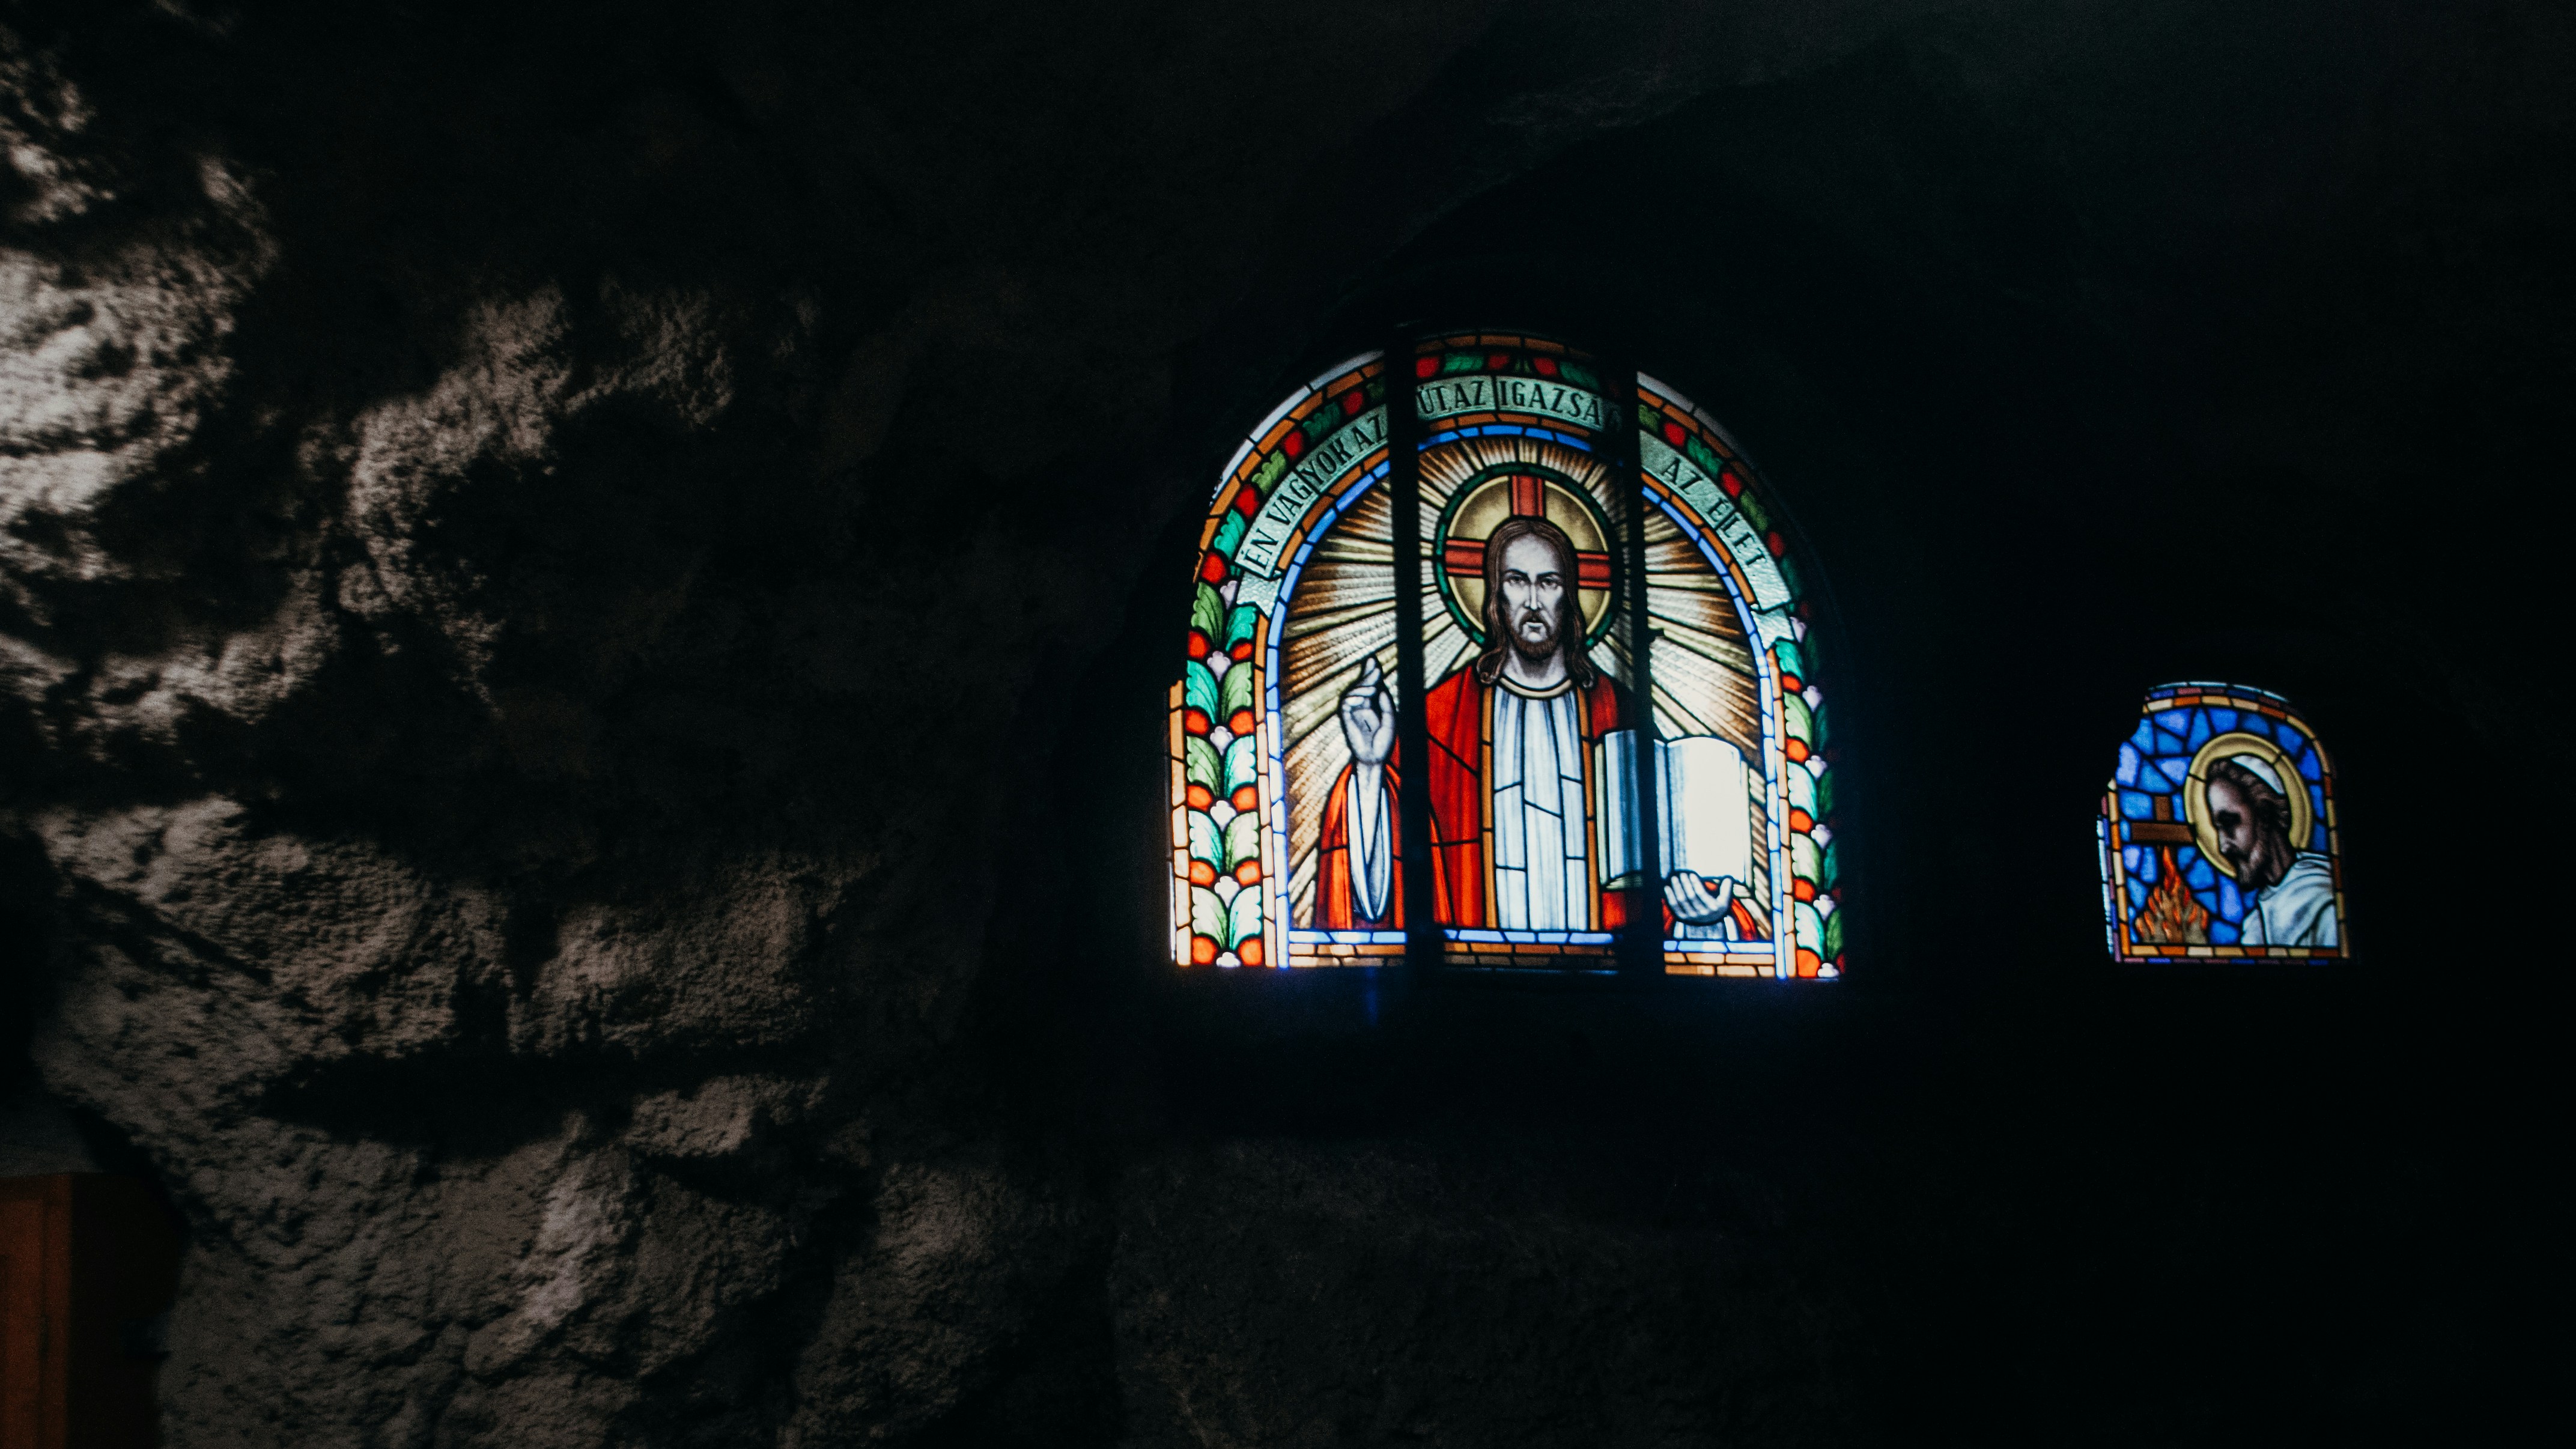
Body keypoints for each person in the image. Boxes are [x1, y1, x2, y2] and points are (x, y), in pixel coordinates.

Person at [1313, 514, 1746, 935]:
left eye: (1549, 582)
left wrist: (1700, 917)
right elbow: (1377, 894)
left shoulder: (1619, 714)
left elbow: (1668, 878)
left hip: (1610, 996)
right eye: (1517, 581)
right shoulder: (1440, 719)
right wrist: (1370, 769)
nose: (1534, 602)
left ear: (1570, 595)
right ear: (1494, 594)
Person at [2205, 754, 2338, 947]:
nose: (2223, 847)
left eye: (2229, 823)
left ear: (2265, 814)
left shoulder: (2325, 903)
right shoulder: (2254, 925)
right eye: (2217, 828)